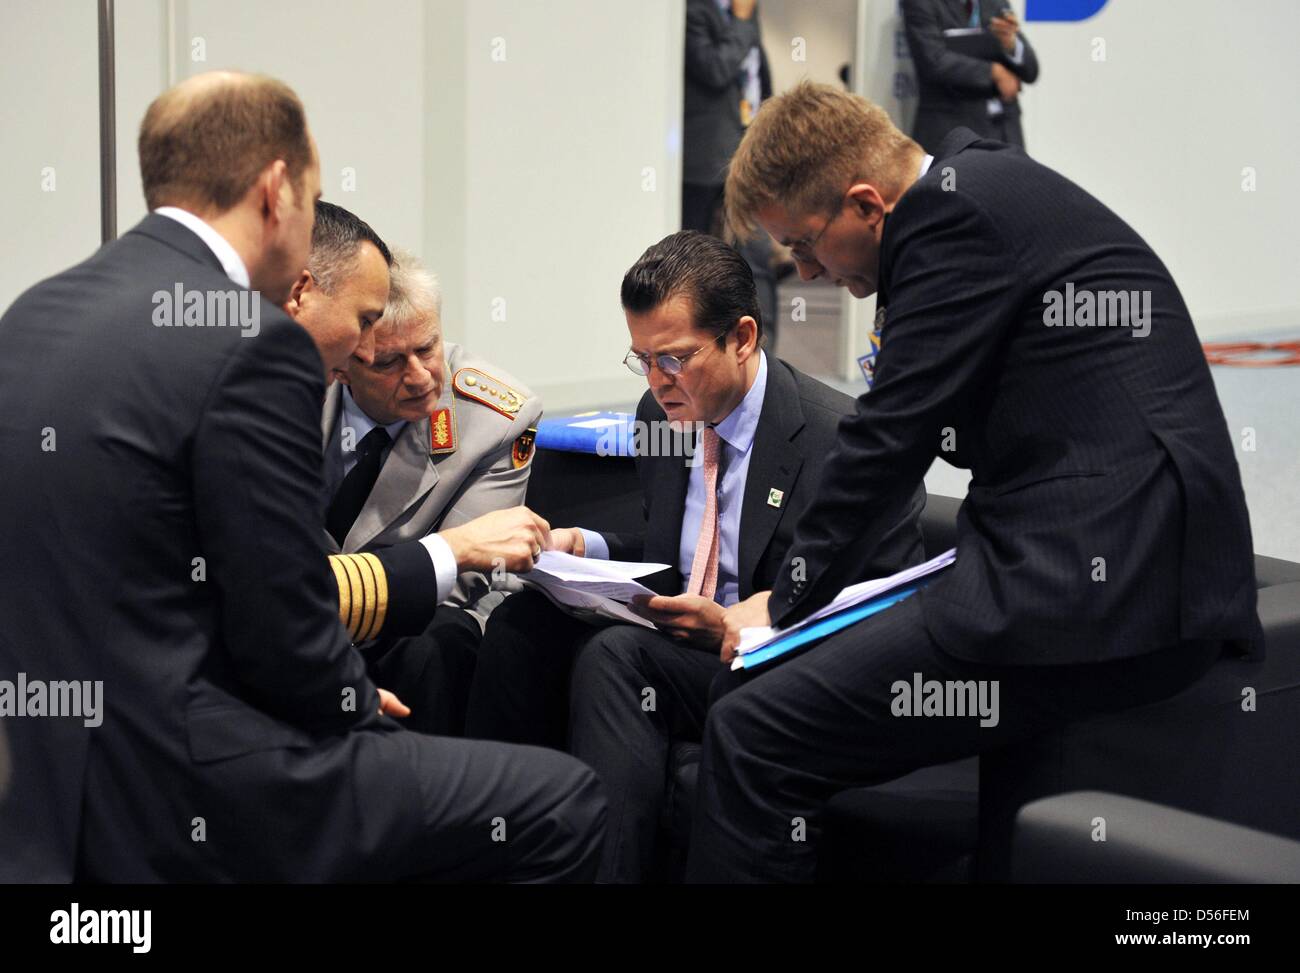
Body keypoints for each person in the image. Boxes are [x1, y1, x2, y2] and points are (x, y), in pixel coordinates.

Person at [0, 71, 604, 882]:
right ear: (279, 189)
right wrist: (351, 703)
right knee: (561, 802)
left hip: (39, 760)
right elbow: (284, 626)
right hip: (177, 766)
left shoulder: (34, 313)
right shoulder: (252, 342)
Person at [681, 80, 1262, 882]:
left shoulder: (952, 220)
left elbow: (887, 443)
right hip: (1081, 546)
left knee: (753, 731)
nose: (810, 271)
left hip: (1106, 576)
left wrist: (783, 600)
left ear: (865, 204)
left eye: (808, 245)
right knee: (752, 699)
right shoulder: (972, 189)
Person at [465, 230, 925, 882]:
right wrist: (581, 545)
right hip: (689, 644)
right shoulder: (661, 413)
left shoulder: (844, 441)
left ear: (742, 337)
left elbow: (879, 610)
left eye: (675, 358)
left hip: (786, 662)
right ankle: (495, 858)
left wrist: (752, 622)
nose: (657, 381)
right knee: (519, 627)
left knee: (618, 658)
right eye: (642, 359)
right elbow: (675, 552)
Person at [322, 248, 544, 734]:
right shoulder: (294, 390)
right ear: (342, 367)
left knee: (435, 640)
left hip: (413, 612)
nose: (421, 377)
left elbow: (469, 575)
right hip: (302, 606)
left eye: (427, 348)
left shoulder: (495, 417)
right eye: (389, 363)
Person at [683, 0, 779, 350]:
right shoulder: (692, 10)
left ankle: (764, 356)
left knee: (757, 256)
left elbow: (755, 68)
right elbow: (716, 68)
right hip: (702, 157)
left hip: (749, 146)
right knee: (688, 260)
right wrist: (740, 19)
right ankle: (694, 351)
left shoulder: (747, 8)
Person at [901, 0, 1038, 153]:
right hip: (951, 131)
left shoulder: (996, 3)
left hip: (1005, 133)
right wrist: (993, 72)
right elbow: (933, 61)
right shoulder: (922, 3)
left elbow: (1031, 71)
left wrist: (1011, 45)